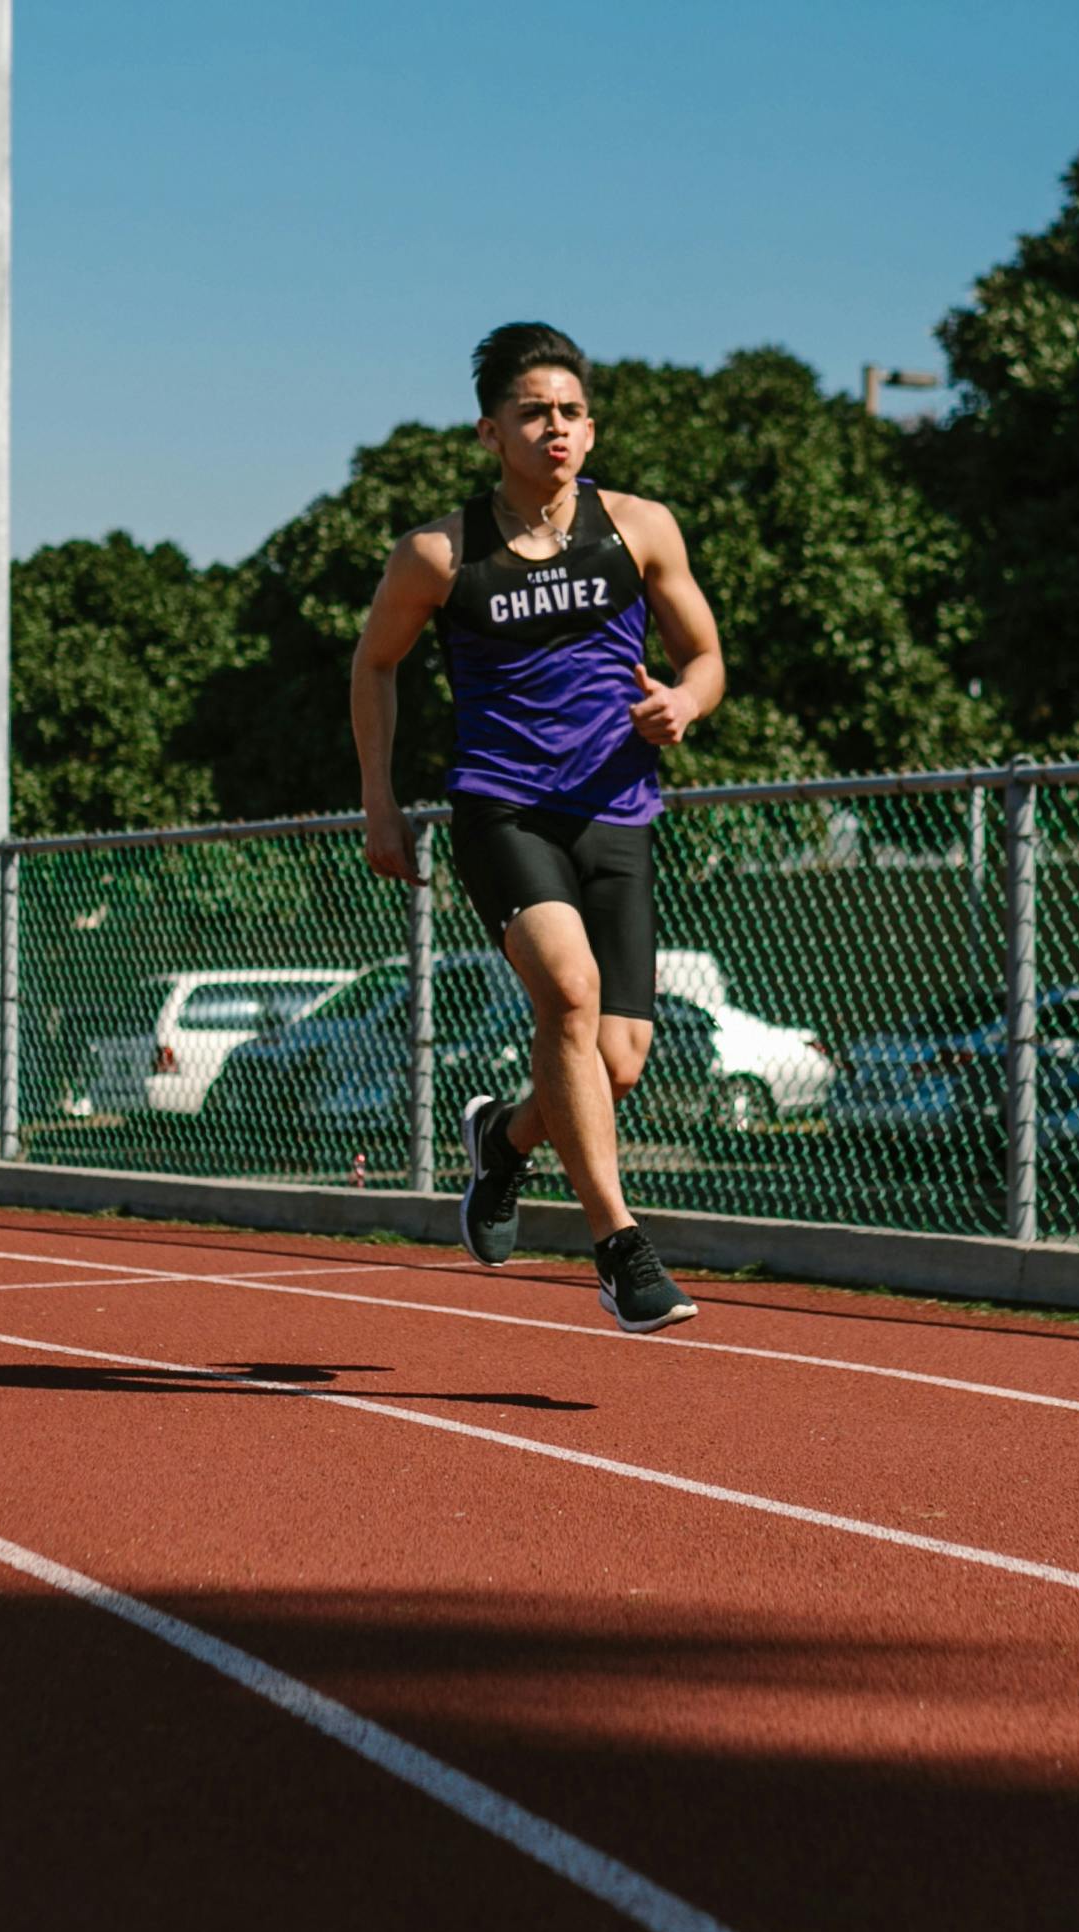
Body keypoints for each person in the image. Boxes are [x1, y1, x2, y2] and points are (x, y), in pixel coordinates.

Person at [348, 322, 726, 1332]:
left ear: (589, 429)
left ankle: (506, 1143)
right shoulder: (438, 552)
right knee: (566, 989)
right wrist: (379, 801)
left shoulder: (640, 527)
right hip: (502, 805)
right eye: (530, 413)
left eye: (567, 411)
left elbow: (704, 657)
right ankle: (617, 1245)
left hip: (616, 808)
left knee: (620, 1057)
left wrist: (685, 702)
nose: (551, 427)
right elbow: (373, 663)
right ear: (489, 433)